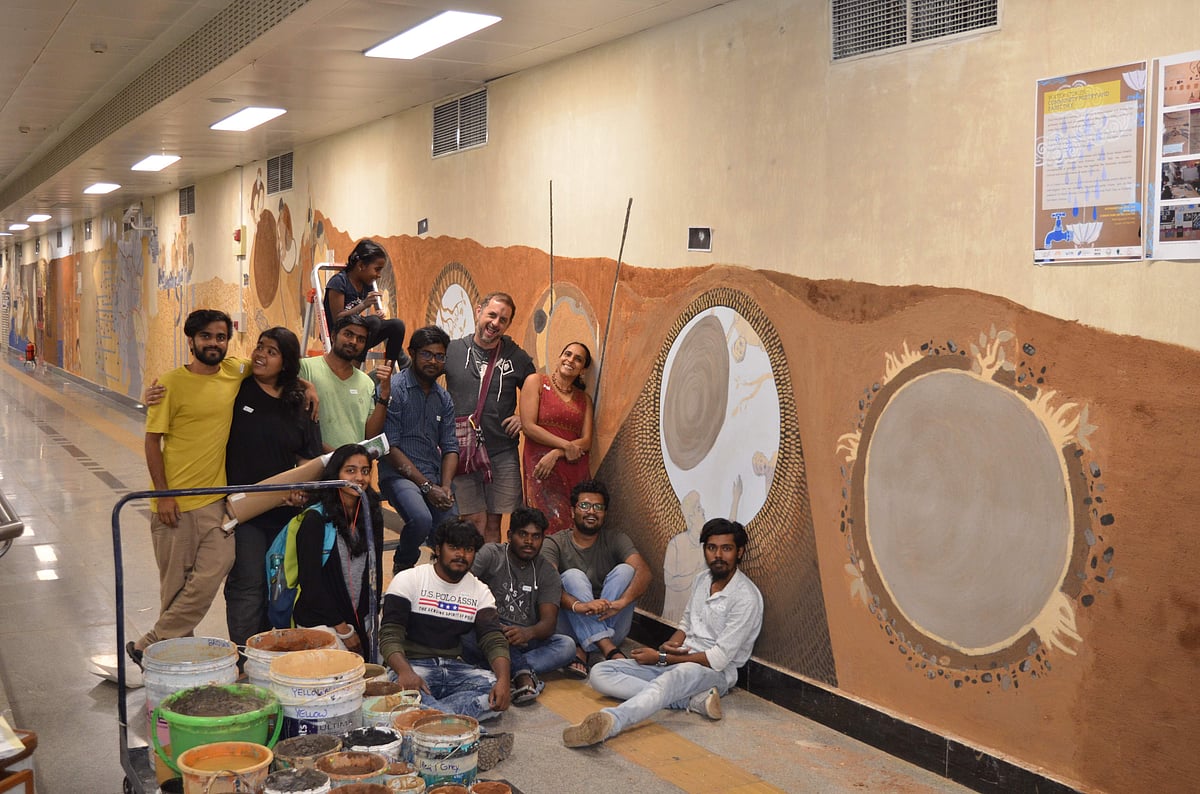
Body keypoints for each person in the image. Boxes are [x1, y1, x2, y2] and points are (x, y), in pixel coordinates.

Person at [562, 518, 763, 747]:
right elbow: (687, 624)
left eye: (726, 548)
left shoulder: (746, 597)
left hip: (714, 672)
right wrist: (670, 646)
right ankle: (692, 700)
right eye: (711, 548)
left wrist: (661, 658)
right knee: (600, 673)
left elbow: (718, 659)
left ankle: (611, 721)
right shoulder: (702, 579)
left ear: (739, 552)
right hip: (678, 658)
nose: (718, 555)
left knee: (671, 680)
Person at [128, 309, 246, 667]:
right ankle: (172, 665)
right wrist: (163, 496)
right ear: (191, 340)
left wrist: (306, 384)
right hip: (174, 504)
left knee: (216, 567)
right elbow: (152, 443)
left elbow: (279, 364)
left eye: (221, 336)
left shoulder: (235, 371)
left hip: (215, 502)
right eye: (207, 336)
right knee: (175, 589)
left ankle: (151, 642)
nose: (214, 343)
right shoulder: (169, 384)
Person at [223, 327, 323, 649]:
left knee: (277, 584)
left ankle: (273, 649)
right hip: (245, 511)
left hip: (286, 513)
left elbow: (309, 460)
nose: (260, 355)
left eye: (272, 351)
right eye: (260, 347)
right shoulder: (239, 389)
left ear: (287, 362)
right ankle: (243, 653)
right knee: (247, 582)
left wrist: (302, 493)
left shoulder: (300, 402)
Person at [380, 518, 512, 721]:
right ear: (438, 549)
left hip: (455, 668)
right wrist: (406, 672)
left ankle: (432, 718)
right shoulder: (409, 579)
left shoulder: (480, 590)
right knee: (402, 692)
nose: (461, 555)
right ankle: (456, 724)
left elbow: (493, 639)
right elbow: (389, 636)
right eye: (454, 547)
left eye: (468, 549)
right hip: (412, 665)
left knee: (493, 690)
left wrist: (503, 681)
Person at [443, 292, 535, 543]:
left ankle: (489, 580)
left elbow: (538, 390)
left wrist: (523, 417)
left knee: (495, 522)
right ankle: (468, 577)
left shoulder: (518, 357)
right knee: (472, 520)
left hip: (501, 450)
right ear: (478, 311)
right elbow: (423, 380)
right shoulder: (451, 350)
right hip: (460, 451)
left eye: (503, 320)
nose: (495, 323)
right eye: (492, 315)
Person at [365, 325, 458, 573]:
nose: (433, 361)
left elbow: (450, 447)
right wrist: (427, 487)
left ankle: (436, 580)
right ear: (413, 353)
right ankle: (403, 564)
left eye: (440, 356)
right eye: (427, 354)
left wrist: (446, 487)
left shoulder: (444, 398)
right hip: (399, 474)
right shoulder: (394, 388)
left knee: (452, 530)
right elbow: (389, 446)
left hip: (434, 474)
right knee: (421, 519)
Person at [463, 507, 577, 704]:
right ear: (509, 535)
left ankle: (500, 670)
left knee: (566, 646)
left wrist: (527, 633)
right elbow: (461, 588)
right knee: (465, 634)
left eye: (536, 536)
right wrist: (491, 626)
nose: (529, 542)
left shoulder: (547, 572)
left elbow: (548, 624)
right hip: (488, 631)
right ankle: (522, 675)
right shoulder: (492, 554)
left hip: (525, 638)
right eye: (523, 534)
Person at [541, 479, 652, 677]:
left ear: (605, 513)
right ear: (572, 511)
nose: (591, 511)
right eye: (584, 505)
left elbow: (644, 572)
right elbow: (546, 584)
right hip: (568, 628)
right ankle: (606, 648)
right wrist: (578, 606)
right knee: (572, 576)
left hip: (611, 622)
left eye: (598, 507)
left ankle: (584, 650)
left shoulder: (616, 539)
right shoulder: (554, 542)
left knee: (627, 571)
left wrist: (622, 602)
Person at [293, 444, 385, 659]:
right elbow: (311, 584)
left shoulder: (372, 516)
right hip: (321, 620)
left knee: (381, 668)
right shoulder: (314, 519)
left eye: (365, 471)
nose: (359, 478)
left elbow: (375, 572)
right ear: (335, 474)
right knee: (343, 668)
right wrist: (343, 629)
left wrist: (371, 620)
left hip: (358, 619)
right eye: (350, 470)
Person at [520, 342, 595, 534]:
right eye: (567, 354)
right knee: (543, 520)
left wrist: (557, 452)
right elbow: (528, 426)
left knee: (571, 523)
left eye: (578, 359)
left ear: (583, 369)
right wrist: (565, 445)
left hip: (572, 465)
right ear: (559, 357)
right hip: (541, 464)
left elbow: (586, 441)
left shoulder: (584, 399)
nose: (571, 360)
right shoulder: (536, 381)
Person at [300, 315, 391, 450]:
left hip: (350, 467)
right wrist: (305, 384)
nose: (354, 342)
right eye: (348, 334)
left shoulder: (367, 383)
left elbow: (370, 434)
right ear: (333, 336)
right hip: (313, 463)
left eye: (361, 339)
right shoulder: (306, 367)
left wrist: (384, 395)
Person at [322, 238, 408, 367]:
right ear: (361, 266)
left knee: (397, 325)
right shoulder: (339, 282)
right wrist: (363, 305)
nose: (379, 275)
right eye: (377, 269)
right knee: (373, 321)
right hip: (340, 334)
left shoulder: (366, 284)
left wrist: (378, 316)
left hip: (357, 333)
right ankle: (354, 367)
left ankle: (389, 371)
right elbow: (338, 319)